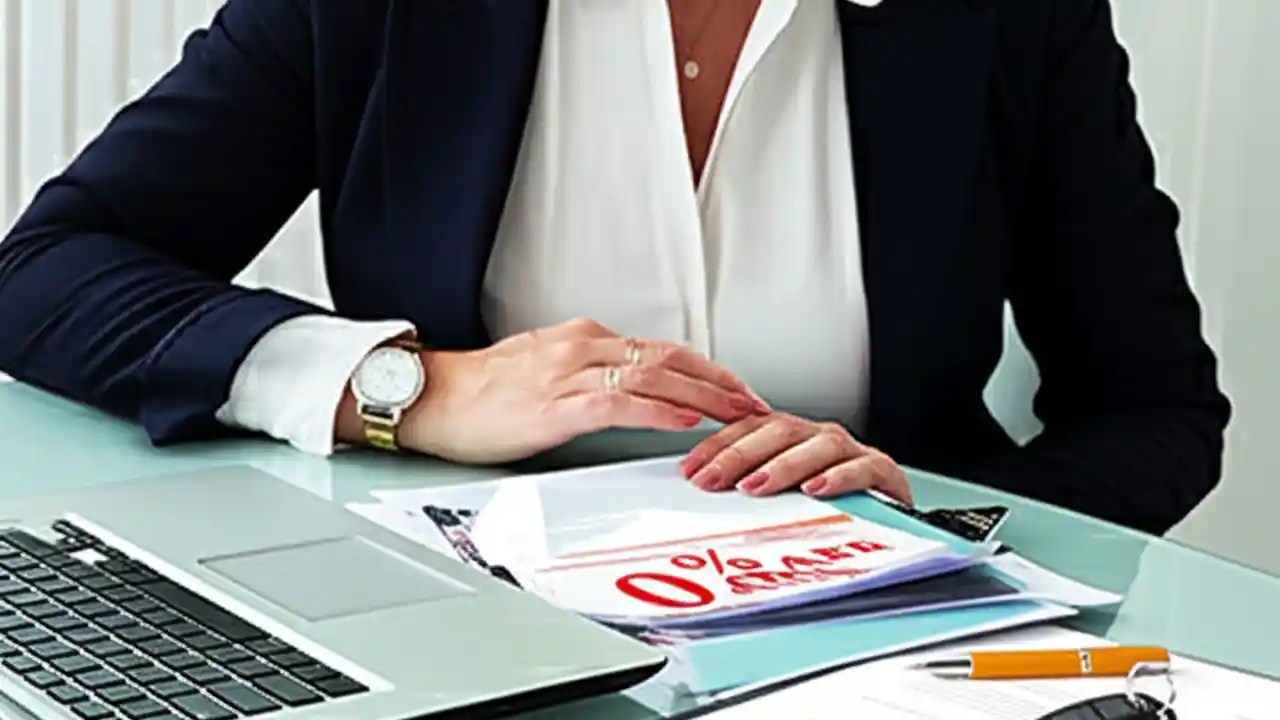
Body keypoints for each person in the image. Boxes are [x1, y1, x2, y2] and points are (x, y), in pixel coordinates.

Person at [0, 0, 1230, 536]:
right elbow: (46, 272)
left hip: (869, 661)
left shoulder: (1010, 16)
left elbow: (1153, 411)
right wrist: (409, 388)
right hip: (469, 631)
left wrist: (941, 525)